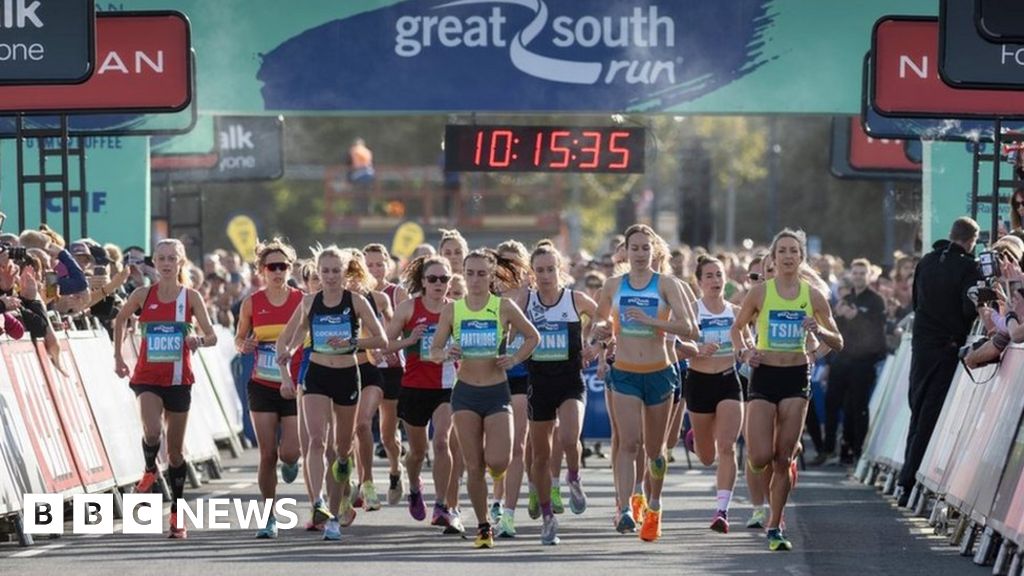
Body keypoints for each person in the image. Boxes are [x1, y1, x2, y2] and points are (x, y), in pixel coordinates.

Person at [731, 229, 843, 551]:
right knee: (760, 455)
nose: (789, 256)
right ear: (774, 258)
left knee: (783, 458)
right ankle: (758, 486)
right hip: (764, 375)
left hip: (796, 376)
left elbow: (838, 340)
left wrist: (818, 329)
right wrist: (744, 352)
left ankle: (775, 525)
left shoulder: (813, 295)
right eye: (783, 251)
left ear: (801, 257)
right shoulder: (760, 293)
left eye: (794, 251)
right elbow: (737, 328)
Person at [275, 246, 387, 541]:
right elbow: (298, 333)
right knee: (314, 440)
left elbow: (381, 339)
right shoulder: (310, 302)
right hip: (317, 373)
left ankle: (336, 514)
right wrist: (288, 350)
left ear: (345, 272)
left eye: (336, 271)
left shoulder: (357, 301)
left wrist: (351, 341)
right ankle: (318, 503)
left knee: (341, 450)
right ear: (317, 273)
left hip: (348, 374)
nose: (330, 276)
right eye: (325, 271)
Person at [592, 224, 696, 542]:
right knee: (628, 443)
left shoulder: (666, 285)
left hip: (659, 372)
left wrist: (651, 321)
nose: (639, 254)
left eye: (645, 248)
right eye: (634, 248)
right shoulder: (612, 285)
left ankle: (654, 505)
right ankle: (625, 507)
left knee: (655, 450)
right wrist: (600, 332)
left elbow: (690, 328)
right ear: (625, 251)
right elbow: (600, 323)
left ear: (654, 251)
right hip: (624, 372)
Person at [429, 249, 539, 549]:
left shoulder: (502, 306)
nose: (475, 279)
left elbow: (533, 336)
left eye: (481, 273)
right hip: (464, 393)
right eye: (470, 273)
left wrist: (514, 358)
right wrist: (444, 353)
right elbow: (434, 349)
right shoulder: (453, 310)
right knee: (474, 465)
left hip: (496, 391)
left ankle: (496, 498)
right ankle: (483, 526)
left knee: (498, 460)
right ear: (462, 275)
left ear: (491, 276)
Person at [113, 239, 218, 539]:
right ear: (155, 263)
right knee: (151, 432)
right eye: (161, 258)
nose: (167, 263)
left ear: (181, 262)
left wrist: (198, 340)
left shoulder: (191, 297)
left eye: (172, 257)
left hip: (178, 380)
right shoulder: (143, 294)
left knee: (174, 453)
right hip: (146, 376)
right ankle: (148, 469)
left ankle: (177, 515)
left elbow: (212, 336)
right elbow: (120, 319)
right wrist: (118, 357)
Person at [897, 217, 982, 507]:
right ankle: (910, 482)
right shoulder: (969, 267)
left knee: (917, 410)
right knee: (930, 417)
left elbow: (916, 304)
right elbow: (967, 308)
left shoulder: (927, 261)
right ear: (972, 240)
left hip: (921, 346)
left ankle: (904, 480)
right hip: (946, 347)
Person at [520, 242, 599, 545]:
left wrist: (594, 344)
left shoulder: (574, 298)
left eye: (550, 269)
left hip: (570, 381)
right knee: (540, 456)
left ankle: (574, 477)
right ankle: (547, 518)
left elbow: (606, 319)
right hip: (538, 383)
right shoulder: (526, 301)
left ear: (560, 270)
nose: (545, 275)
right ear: (532, 273)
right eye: (539, 270)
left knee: (568, 438)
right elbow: (505, 323)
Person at [234, 239, 304, 538]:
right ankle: (269, 516)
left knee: (289, 452)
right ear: (262, 270)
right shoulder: (253, 302)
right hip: (262, 384)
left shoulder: (302, 300)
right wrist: (245, 344)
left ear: (291, 269)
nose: (278, 271)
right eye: (272, 266)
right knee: (267, 455)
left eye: (283, 266)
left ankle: (292, 462)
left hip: (294, 384)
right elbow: (239, 339)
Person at [386, 256, 462, 533]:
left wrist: (460, 351)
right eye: (433, 279)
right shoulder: (408, 308)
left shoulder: (456, 310)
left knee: (441, 443)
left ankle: (441, 505)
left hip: (446, 386)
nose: (439, 284)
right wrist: (410, 339)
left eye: (444, 279)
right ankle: (415, 486)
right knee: (417, 452)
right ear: (423, 282)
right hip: (414, 385)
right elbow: (385, 344)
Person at [678, 255, 746, 534]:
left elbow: (746, 342)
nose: (716, 281)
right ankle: (694, 436)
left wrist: (747, 352)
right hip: (699, 383)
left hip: (729, 381)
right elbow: (674, 346)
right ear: (699, 281)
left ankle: (722, 511)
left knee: (727, 447)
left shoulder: (737, 311)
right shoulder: (691, 311)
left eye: (719, 275)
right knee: (707, 457)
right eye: (709, 276)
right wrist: (694, 350)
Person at [822, 258, 886, 466]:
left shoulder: (876, 301)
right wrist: (839, 315)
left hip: (863, 361)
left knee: (858, 407)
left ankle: (857, 450)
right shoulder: (845, 298)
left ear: (869, 276)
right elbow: (834, 331)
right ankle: (828, 449)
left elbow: (877, 329)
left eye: (862, 273)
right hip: (842, 358)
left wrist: (856, 316)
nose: (858, 277)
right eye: (855, 273)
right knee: (833, 403)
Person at [491, 240, 533, 538]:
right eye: (502, 262)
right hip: (487, 375)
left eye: (514, 263)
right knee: (493, 449)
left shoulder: (534, 296)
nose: (508, 268)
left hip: (522, 374)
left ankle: (507, 512)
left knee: (518, 444)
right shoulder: (485, 295)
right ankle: (496, 496)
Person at [363, 244, 408, 506]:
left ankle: (395, 470)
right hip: (366, 367)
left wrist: (389, 346)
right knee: (362, 425)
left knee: (388, 434)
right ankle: (364, 480)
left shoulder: (396, 292)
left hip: (391, 367)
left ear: (388, 266)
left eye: (379, 264)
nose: (375, 269)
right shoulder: (356, 294)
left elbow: (402, 327)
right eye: (369, 265)